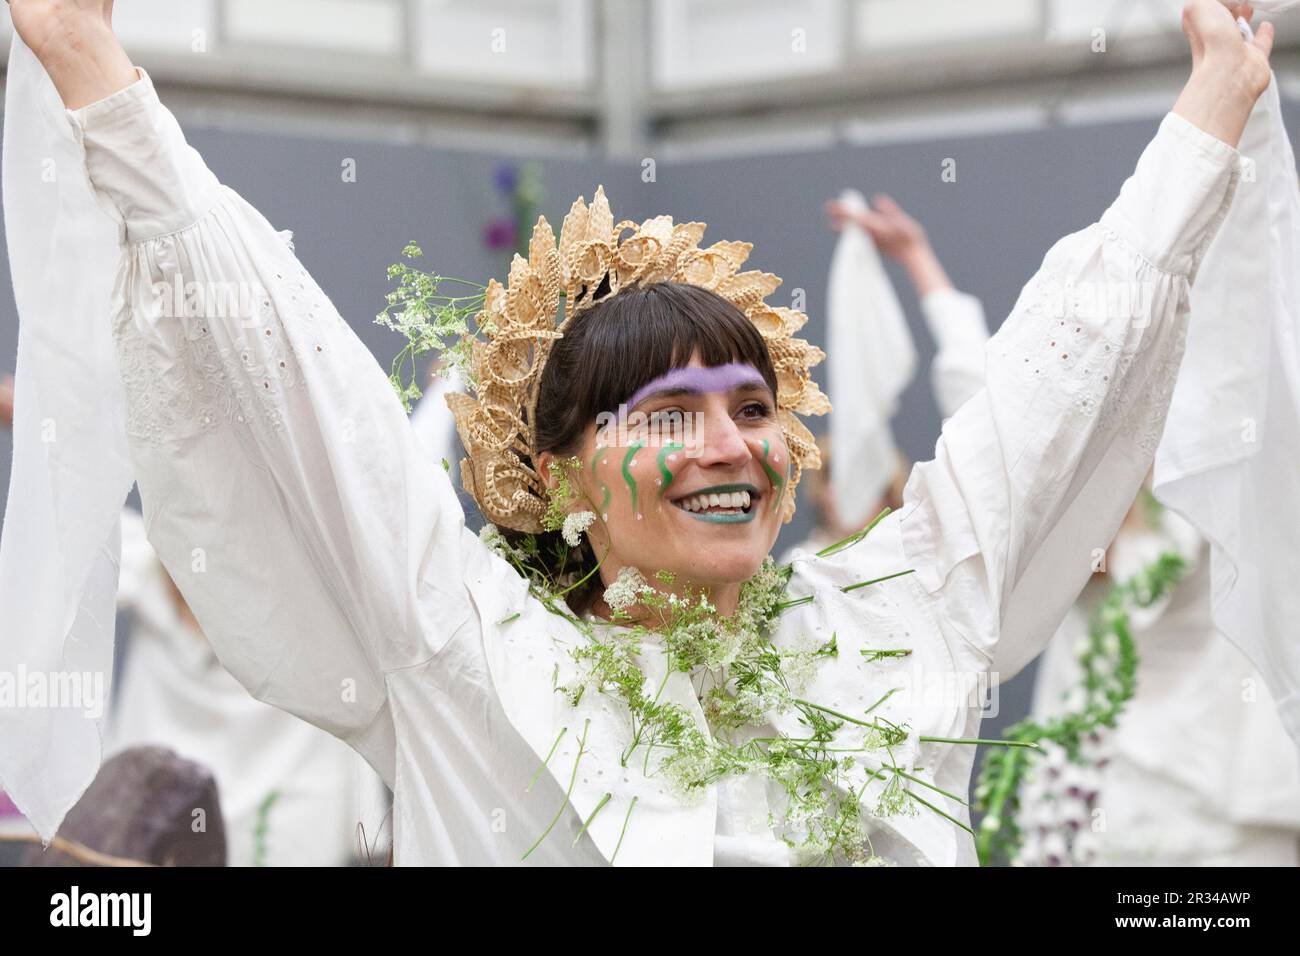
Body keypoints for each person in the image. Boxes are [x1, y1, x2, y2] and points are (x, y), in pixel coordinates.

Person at [1, 0, 1275, 865]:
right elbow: (290, 374)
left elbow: (1061, 384)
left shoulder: (902, 624)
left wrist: (1213, 98)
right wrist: (102, 86)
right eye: (669, 412)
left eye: (753, 406)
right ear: (555, 474)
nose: (730, 443)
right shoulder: (460, 655)